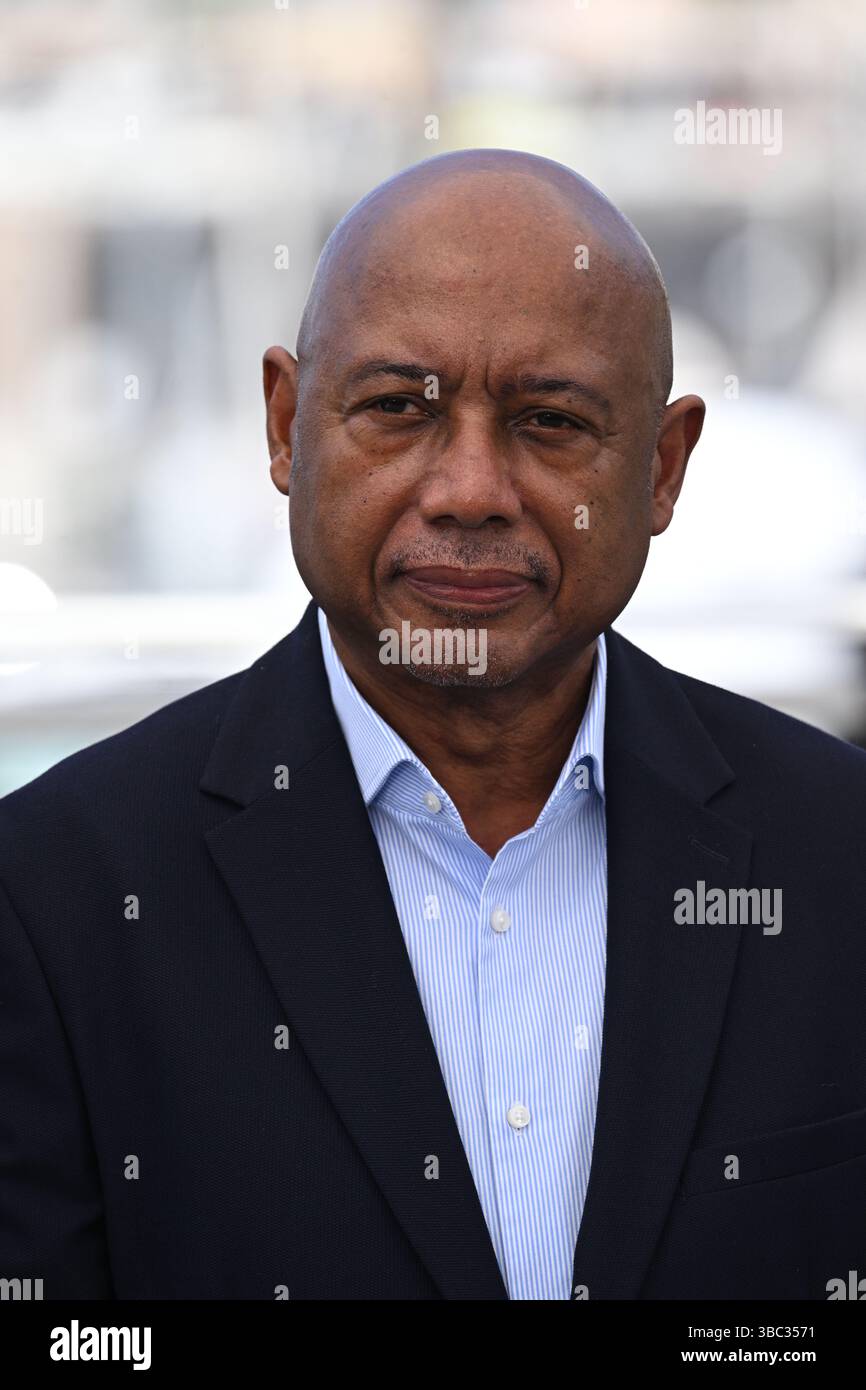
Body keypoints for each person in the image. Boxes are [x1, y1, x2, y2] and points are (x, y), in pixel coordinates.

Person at [2, 149, 865, 1302]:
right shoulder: (54, 894)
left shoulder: (836, 856)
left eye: (548, 421)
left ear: (661, 469)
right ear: (284, 424)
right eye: (398, 409)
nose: (467, 488)